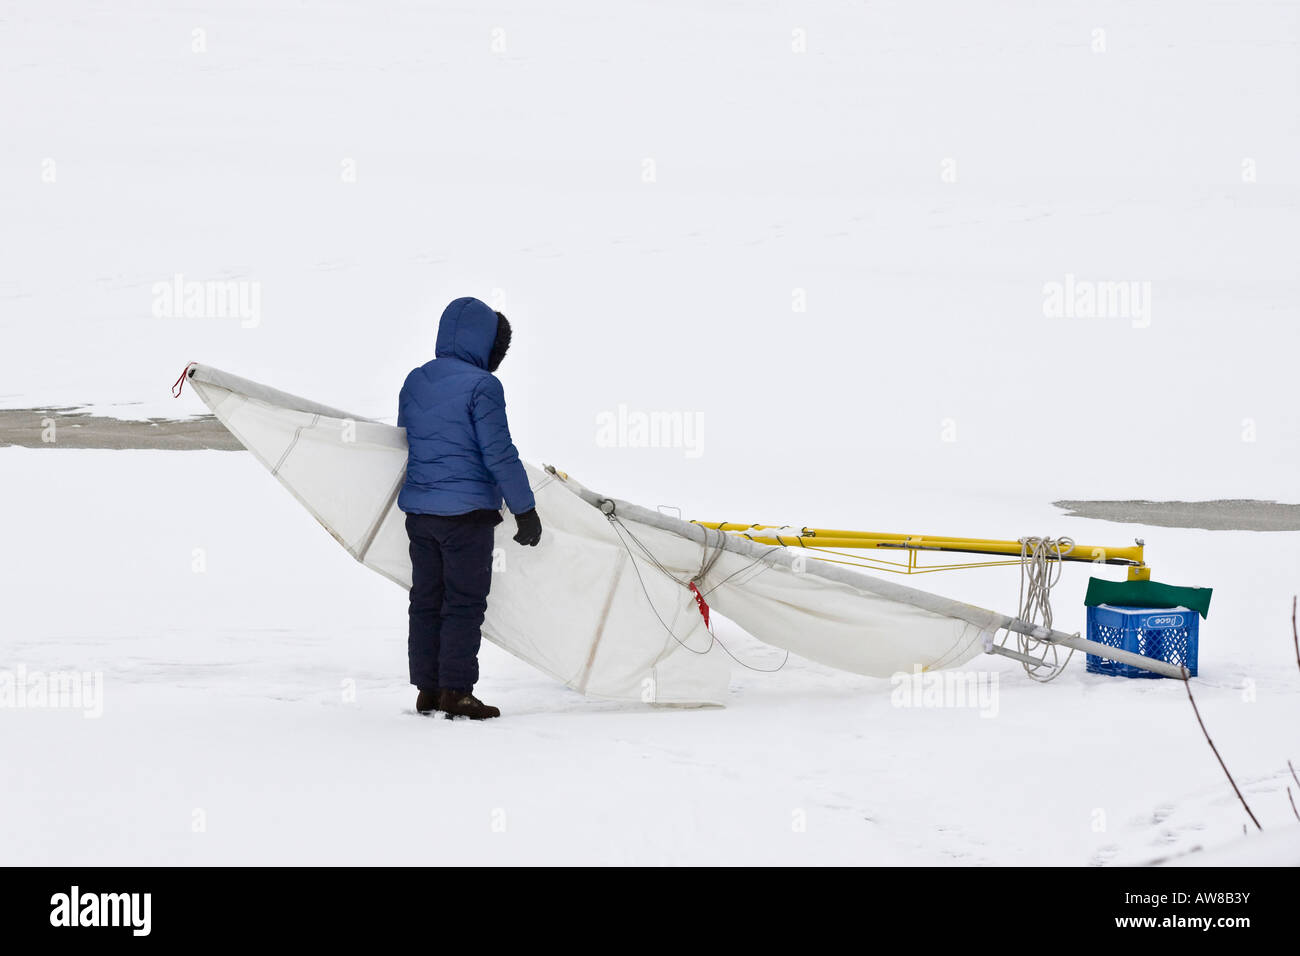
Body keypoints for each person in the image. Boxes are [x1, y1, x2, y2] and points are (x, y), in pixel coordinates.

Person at [397, 296, 542, 720]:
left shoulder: (416, 380)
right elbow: (498, 453)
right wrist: (525, 509)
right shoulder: (484, 386)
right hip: (467, 517)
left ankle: (428, 690)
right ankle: (457, 693)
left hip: (420, 515)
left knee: (426, 599)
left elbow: (407, 440)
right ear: (486, 343)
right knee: (463, 602)